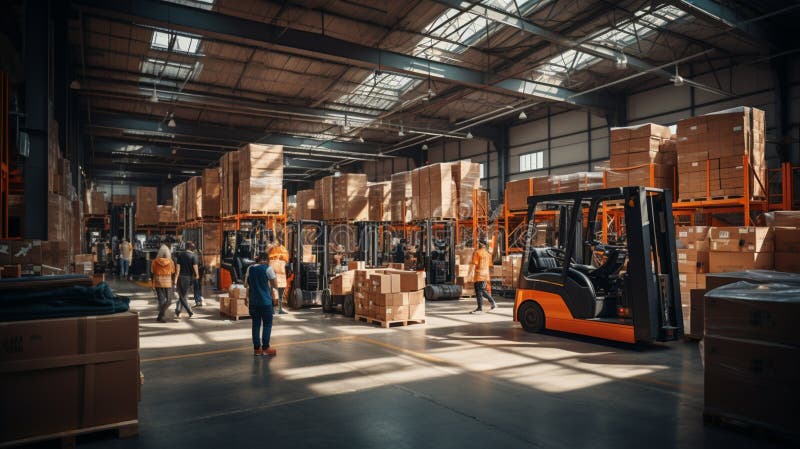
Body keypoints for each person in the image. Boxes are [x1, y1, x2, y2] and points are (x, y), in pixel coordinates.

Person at [244, 252, 278, 356]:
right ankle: (266, 348)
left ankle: (257, 349)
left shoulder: (250, 269)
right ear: (266, 259)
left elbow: (246, 285)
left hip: (253, 302)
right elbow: (275, 285)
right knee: (267, 324)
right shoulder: (268, 268)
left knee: (256, 325)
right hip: (265, 302)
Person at [470, 239, 497, 314]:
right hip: (485, 275)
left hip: (479, 275)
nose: (478, 244)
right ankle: (480, 308)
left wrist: (470, 274)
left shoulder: (477, 252)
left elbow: (474, 264)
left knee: (480, 291)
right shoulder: (488, 254)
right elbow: (490, 266)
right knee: (480, 291)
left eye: (478, 243)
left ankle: (490, 303)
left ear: (481, 244)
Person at [151, 245, 177, 323]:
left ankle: (160, 316)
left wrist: (152, 284)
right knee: (169, 300)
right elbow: (173, 272)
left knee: (161, 300)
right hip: (167, 282)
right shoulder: (171, 262)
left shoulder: (155, 261)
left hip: (158, 282)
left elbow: (153, 272)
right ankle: (160, 315)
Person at [174, 242, 198, 319]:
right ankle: (187, 311)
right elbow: (195, 267)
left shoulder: (180, 255)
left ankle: (179, 310)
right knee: (183, 296)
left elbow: (177, 269)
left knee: (182, 295)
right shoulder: (193, 256)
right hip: (188, 278)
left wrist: (176, 279)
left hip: (180, 277)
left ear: (186, 247)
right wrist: (197, 275)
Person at [268, 242, 290, 315]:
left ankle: (275, 309)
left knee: (275, 293)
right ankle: (277, 309)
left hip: (278, 275)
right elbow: (286, 261)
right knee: (276, 293)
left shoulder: (276, 250)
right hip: (279, 274)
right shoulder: (282, 250)